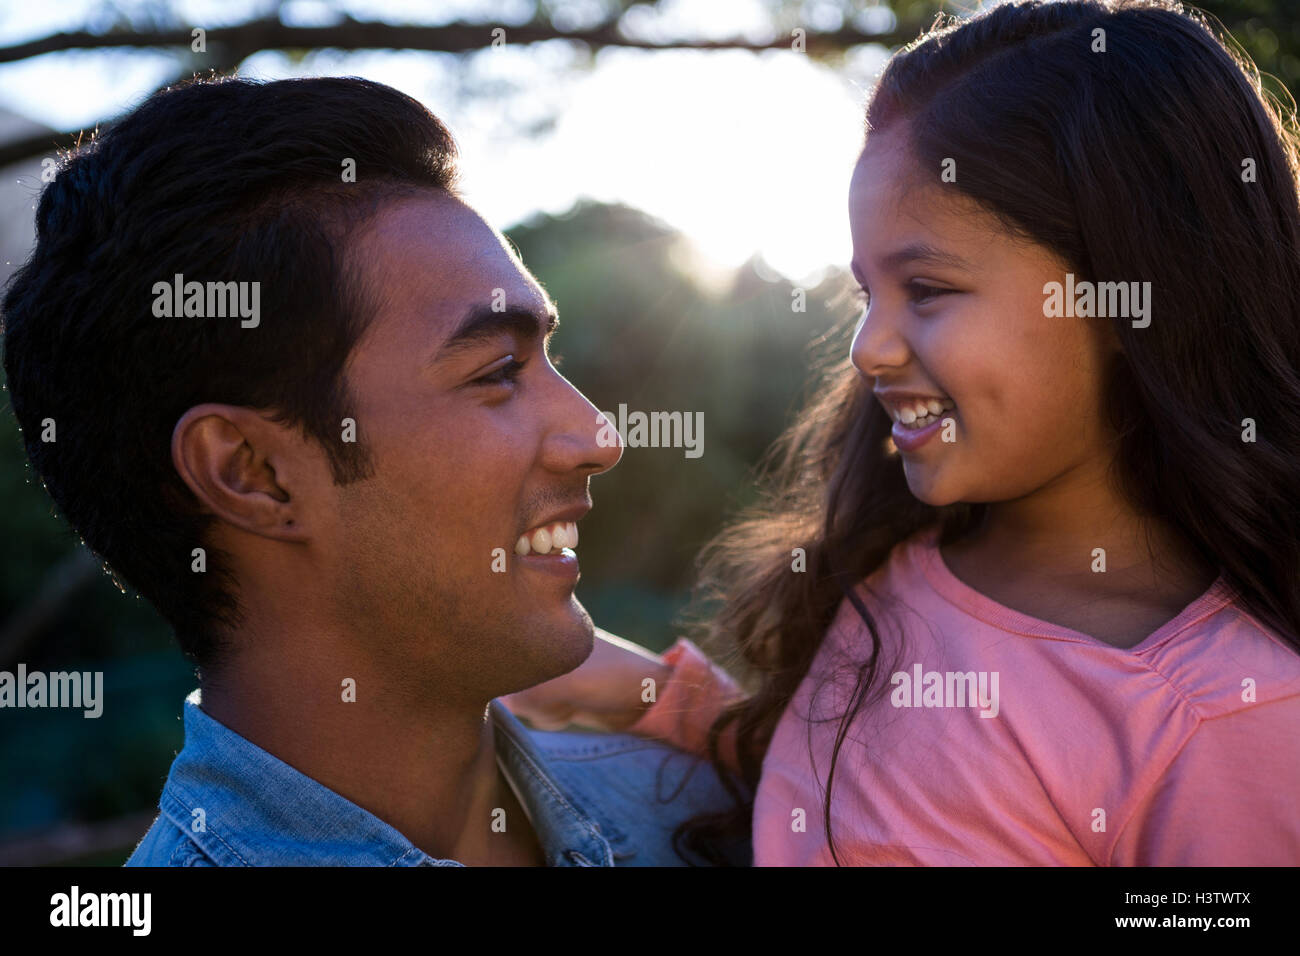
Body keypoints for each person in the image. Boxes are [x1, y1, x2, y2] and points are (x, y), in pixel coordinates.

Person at [506, 0, 1300, 865]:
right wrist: (666, 700)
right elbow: (850, 803)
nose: (866, 348)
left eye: (926, 288)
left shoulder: (1225, 716)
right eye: (865, 294)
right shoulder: (911, 560)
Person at [1, 75, 746, 867]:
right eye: (496, 371)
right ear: (254, 473)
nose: (598, 435)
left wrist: (718, 728)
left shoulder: (707, 809)